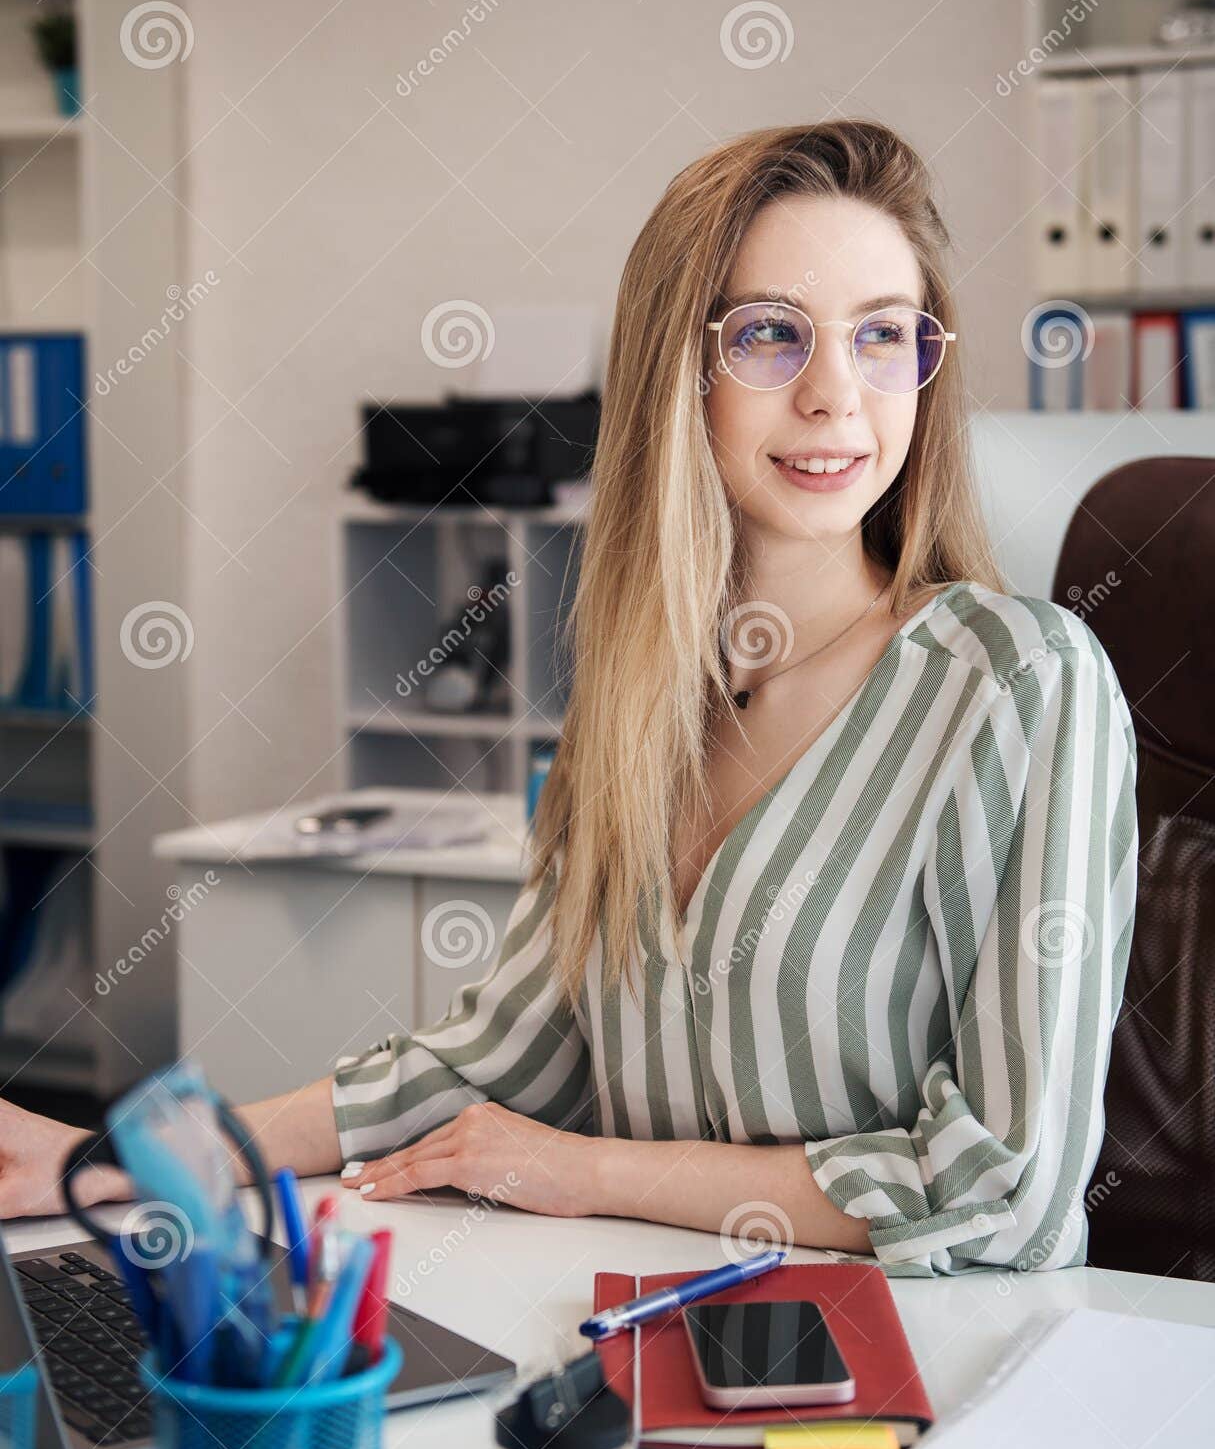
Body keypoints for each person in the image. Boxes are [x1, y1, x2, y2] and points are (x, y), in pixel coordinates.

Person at [0, 120, 1138, 1276]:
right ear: (677, 371)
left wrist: (586, 1170)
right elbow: (502, 1054)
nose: (835, 395)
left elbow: (1015, 1193)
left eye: (883, 336)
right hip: (653, 1335)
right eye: (769, 335)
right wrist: (132, 1159)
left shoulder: (1019, 684)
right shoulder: (644, 694)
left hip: (914, 1377)